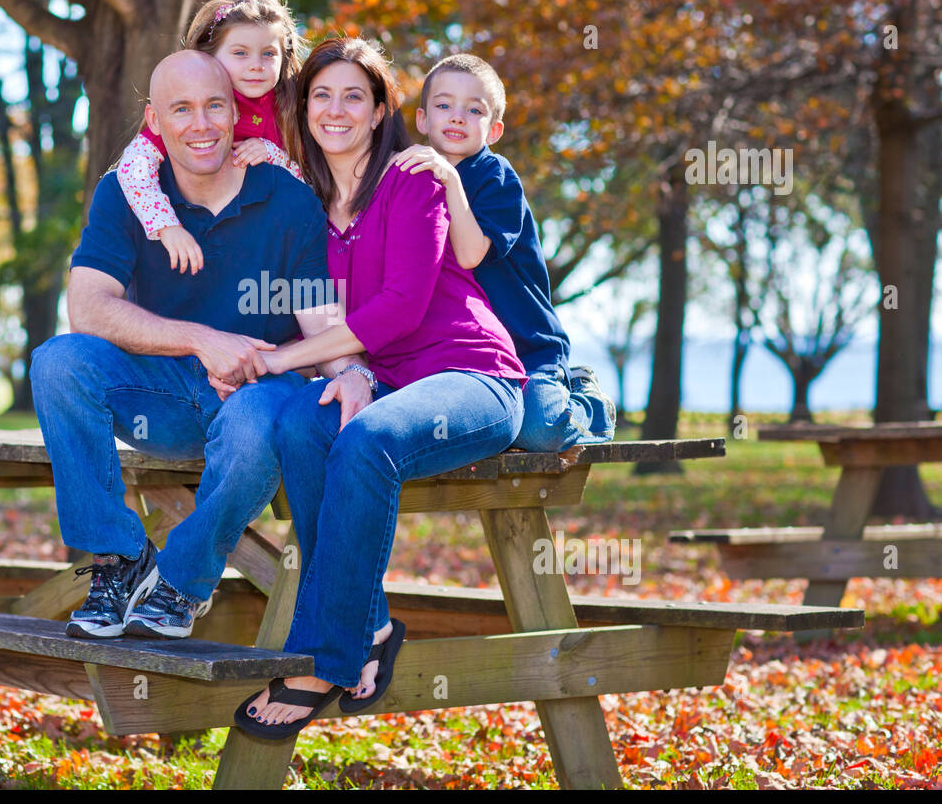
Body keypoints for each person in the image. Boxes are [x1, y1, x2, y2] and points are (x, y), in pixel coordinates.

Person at [230, 37, 528, 739]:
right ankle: (371, 626)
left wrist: (280, 360)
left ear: (378, 111)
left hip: (471, 376)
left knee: (366, 439)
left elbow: (398, 305)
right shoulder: (299, 209)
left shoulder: (412, 178)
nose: (336, 110)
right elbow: (316, 305)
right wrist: (346, 371)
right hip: (383, 377)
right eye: (321, 95)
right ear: (302, 110)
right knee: (303, 423)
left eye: (353, 96)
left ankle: (322, 660)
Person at [30, 50, 371, 641]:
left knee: (258, 422)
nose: (201, 124)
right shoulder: (128, 194)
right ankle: (117, 560)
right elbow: (86, 307)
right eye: (181, 109)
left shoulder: (289, 200)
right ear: (154, 120)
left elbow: (318, 314)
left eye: (215, 106)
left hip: (258, 389)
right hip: (154, 390)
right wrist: (202, 340)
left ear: (237, 111)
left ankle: (182, 582)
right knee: (57, 362)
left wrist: (353, 371)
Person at [396, 53, 616, 453]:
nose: (457, 117)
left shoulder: (495, 176)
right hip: (464, 355)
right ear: (423, 120)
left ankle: (587, 401)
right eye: (444, 105)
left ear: (494, 129)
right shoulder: (411, 179)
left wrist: (449, 180)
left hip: (526, 347)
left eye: (474, 109)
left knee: (541, 430)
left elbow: (470, 254)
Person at [115, 0, 307, 276]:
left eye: (268, 54)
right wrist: (166, 226)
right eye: (240, 53)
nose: (256, 65)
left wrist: (275, 155)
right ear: (209, 56)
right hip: (193, 248)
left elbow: (310, 191)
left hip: (267, 258)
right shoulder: (187, 110)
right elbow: (133, 166)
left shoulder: (288, 109)